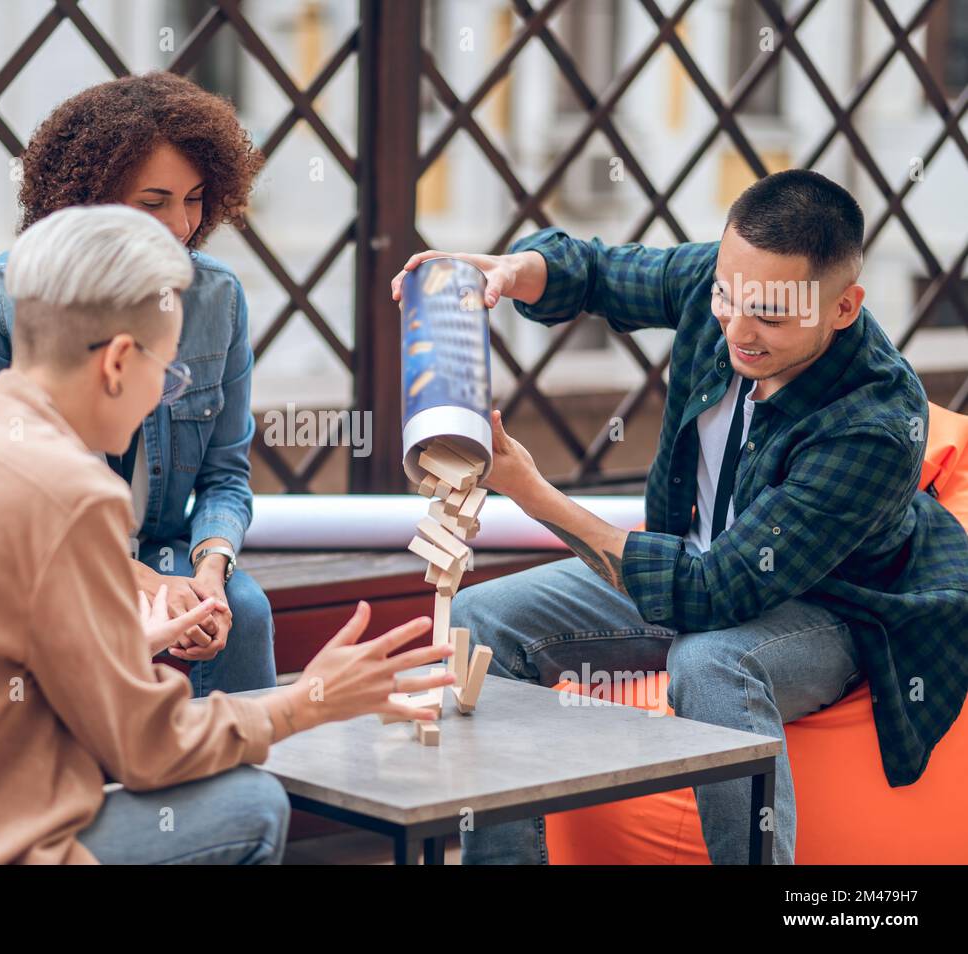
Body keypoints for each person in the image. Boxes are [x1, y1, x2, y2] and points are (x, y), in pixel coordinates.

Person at [0, 205, 455, 864]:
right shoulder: (72, 492)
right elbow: (148, 749)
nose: (164, 393)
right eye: (165, 371)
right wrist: (312, 701)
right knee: (251, 807)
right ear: (116, 362)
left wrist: (120, 643)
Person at [391, 168, 968, 864]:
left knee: (710, 665)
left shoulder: (872, 424)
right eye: (729, 295)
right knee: (481, 623)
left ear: (844, 308)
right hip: (686, 557)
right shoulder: (725, 290)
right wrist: (516, 270)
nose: (739, 329)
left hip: (834, 601)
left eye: (772, 316)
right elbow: (600, 272)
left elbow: (709, 595)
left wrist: (532, 490)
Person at [0, 72, 272, 697]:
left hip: (163, 549)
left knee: (244, 612)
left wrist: (208, 573)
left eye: (196, 198)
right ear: (87, 202)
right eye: (153, 202)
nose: (180, 225)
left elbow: (225, 476)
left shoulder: (218, 296)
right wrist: (149, 588)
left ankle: (241, 776)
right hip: (40, 553)